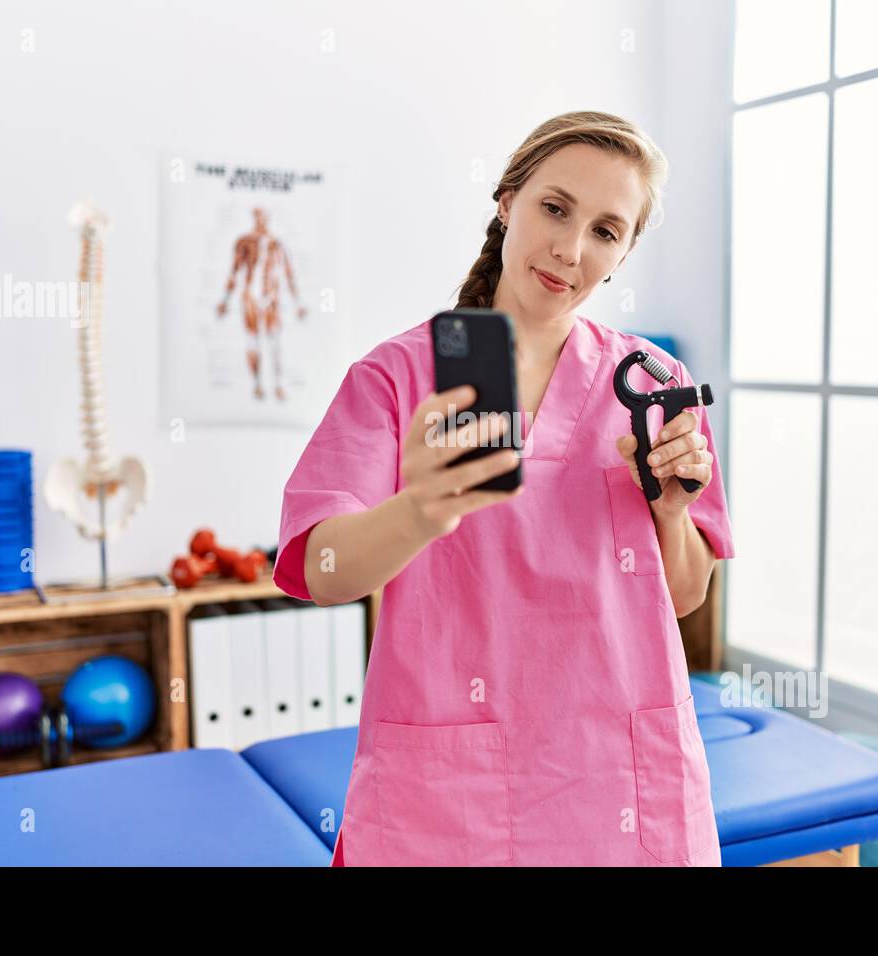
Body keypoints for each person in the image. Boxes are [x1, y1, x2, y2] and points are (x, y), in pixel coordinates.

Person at [273, 111, 735, 866]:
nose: (570, 249)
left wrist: (671, 511)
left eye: (605, 231)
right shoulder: (399, 377)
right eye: (555, 208)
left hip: (621, 778)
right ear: (506, 201)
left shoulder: (652, 384)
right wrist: (419, 512)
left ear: (623, 253)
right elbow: (323, 573)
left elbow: (682, 594)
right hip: (453, 792)